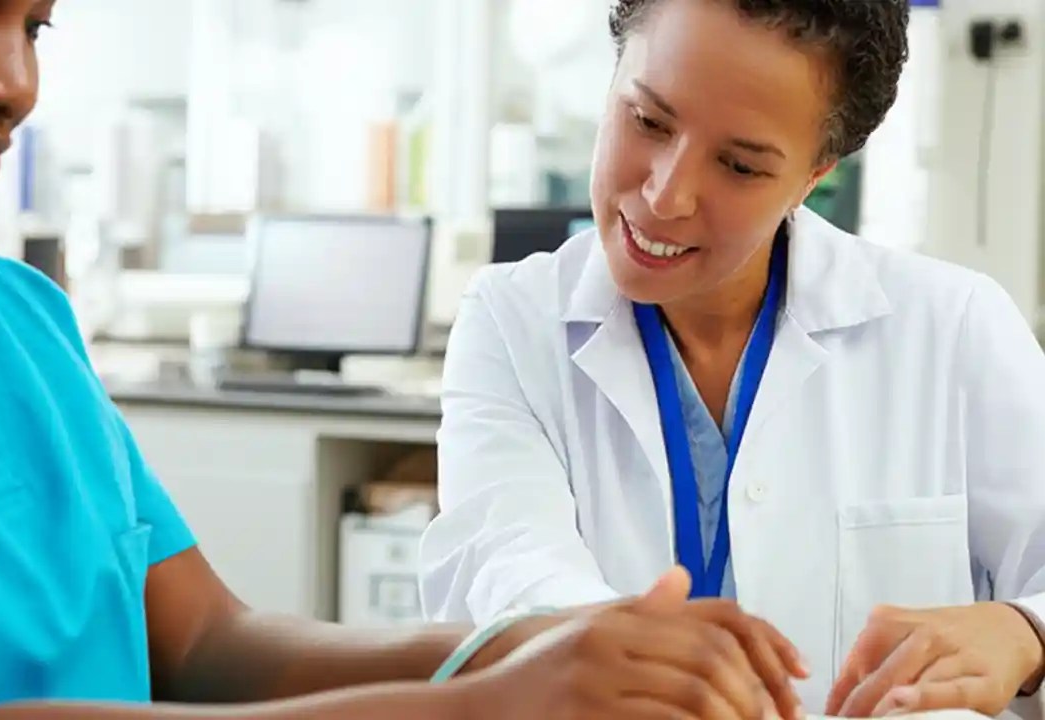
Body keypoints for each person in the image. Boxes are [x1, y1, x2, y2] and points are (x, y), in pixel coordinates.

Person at [0, 2, 817, 720]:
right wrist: (476, 706)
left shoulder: (12, 312)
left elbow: (205, 643)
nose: (16, 82)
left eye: (36, 25)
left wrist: (535, 649)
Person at [418, 0, 1045, 717]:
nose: (665, 194)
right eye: (648, 121)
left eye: (740, 166)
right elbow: (507, 570)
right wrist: (619, 656)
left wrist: (1023, 631)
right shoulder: (512, 322)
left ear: (814, 176)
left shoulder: (955, 327)